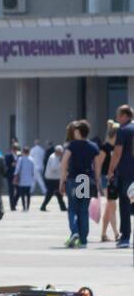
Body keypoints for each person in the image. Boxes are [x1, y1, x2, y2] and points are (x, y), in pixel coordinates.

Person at [60, 119, 99, 248]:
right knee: (83, 211)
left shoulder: (72, 145)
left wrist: (62, 181)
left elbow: (64, 162)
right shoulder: (93, 146)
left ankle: (74, 231)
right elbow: (97, 166)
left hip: (74, 179)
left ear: (77, 132)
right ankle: (83, 240)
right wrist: (98, 182)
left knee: (72, 209)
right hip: (86, 180)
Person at [107, 103, 134, 248]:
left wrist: (111, 170)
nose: (117, 118)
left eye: (118, 115)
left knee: (125, 203)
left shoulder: (123, 131)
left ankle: (125, 237)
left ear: (124, 116)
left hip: (126, 171)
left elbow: (117, 153)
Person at [41, 144, 66, 211]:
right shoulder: (53, 157)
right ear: (57, 151)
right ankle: (43, 206)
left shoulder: (58, 157)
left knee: (58, 194)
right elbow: (53, 168)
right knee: (50, 194)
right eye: (61, 152)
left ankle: (62, 207)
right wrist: (61, 165)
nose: (61, 153)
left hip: (56, 178)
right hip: (51, 179)